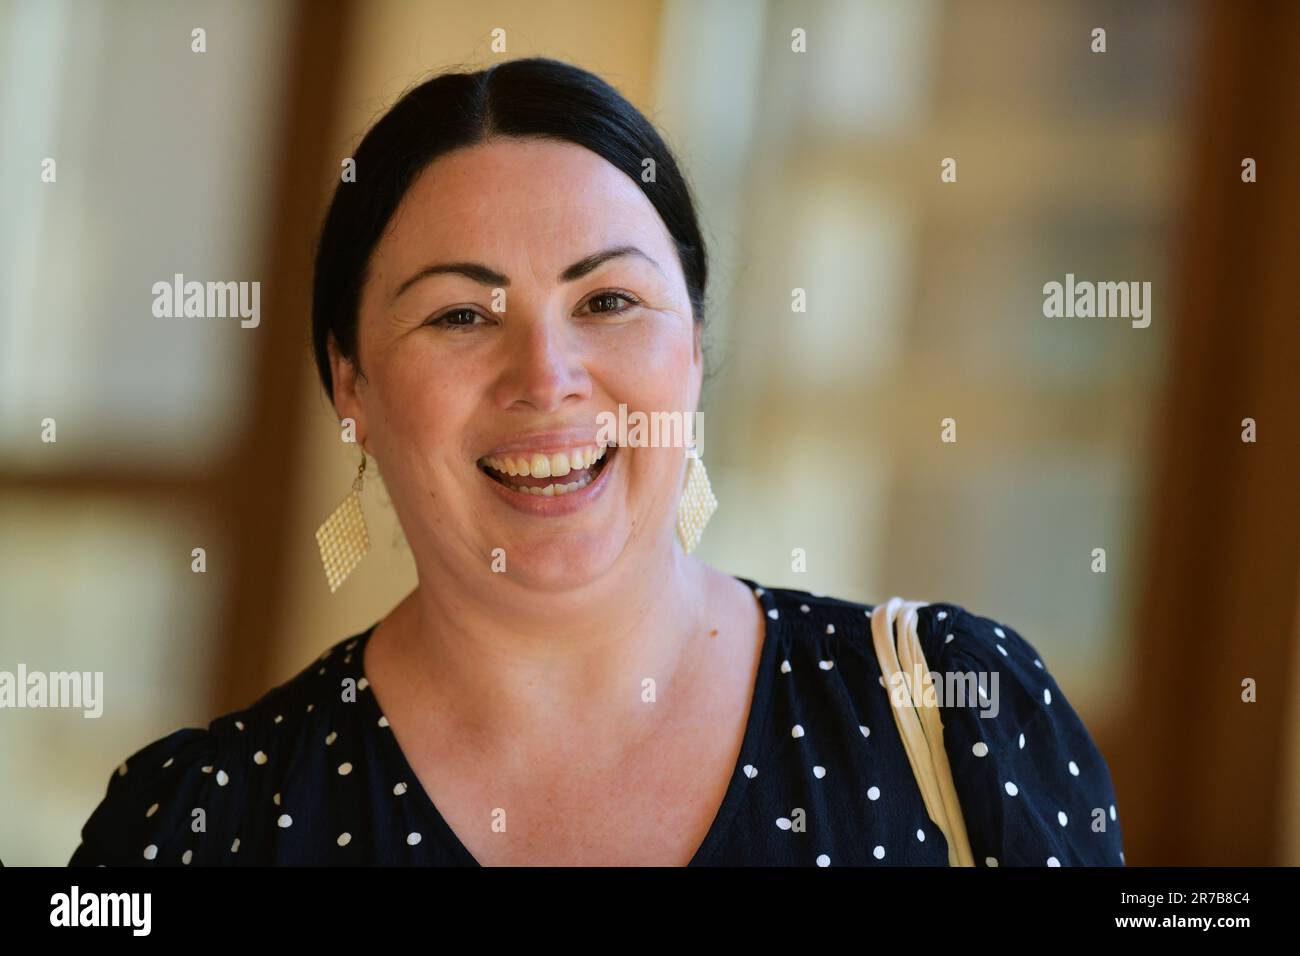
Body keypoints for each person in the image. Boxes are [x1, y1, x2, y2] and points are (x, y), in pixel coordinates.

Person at [69, 57, 1124, 867]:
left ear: (696, 348)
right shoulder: (201, 824)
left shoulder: (952, 712)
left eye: (607, 301)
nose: (546, 375)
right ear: (351, 384)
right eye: (459, 313)